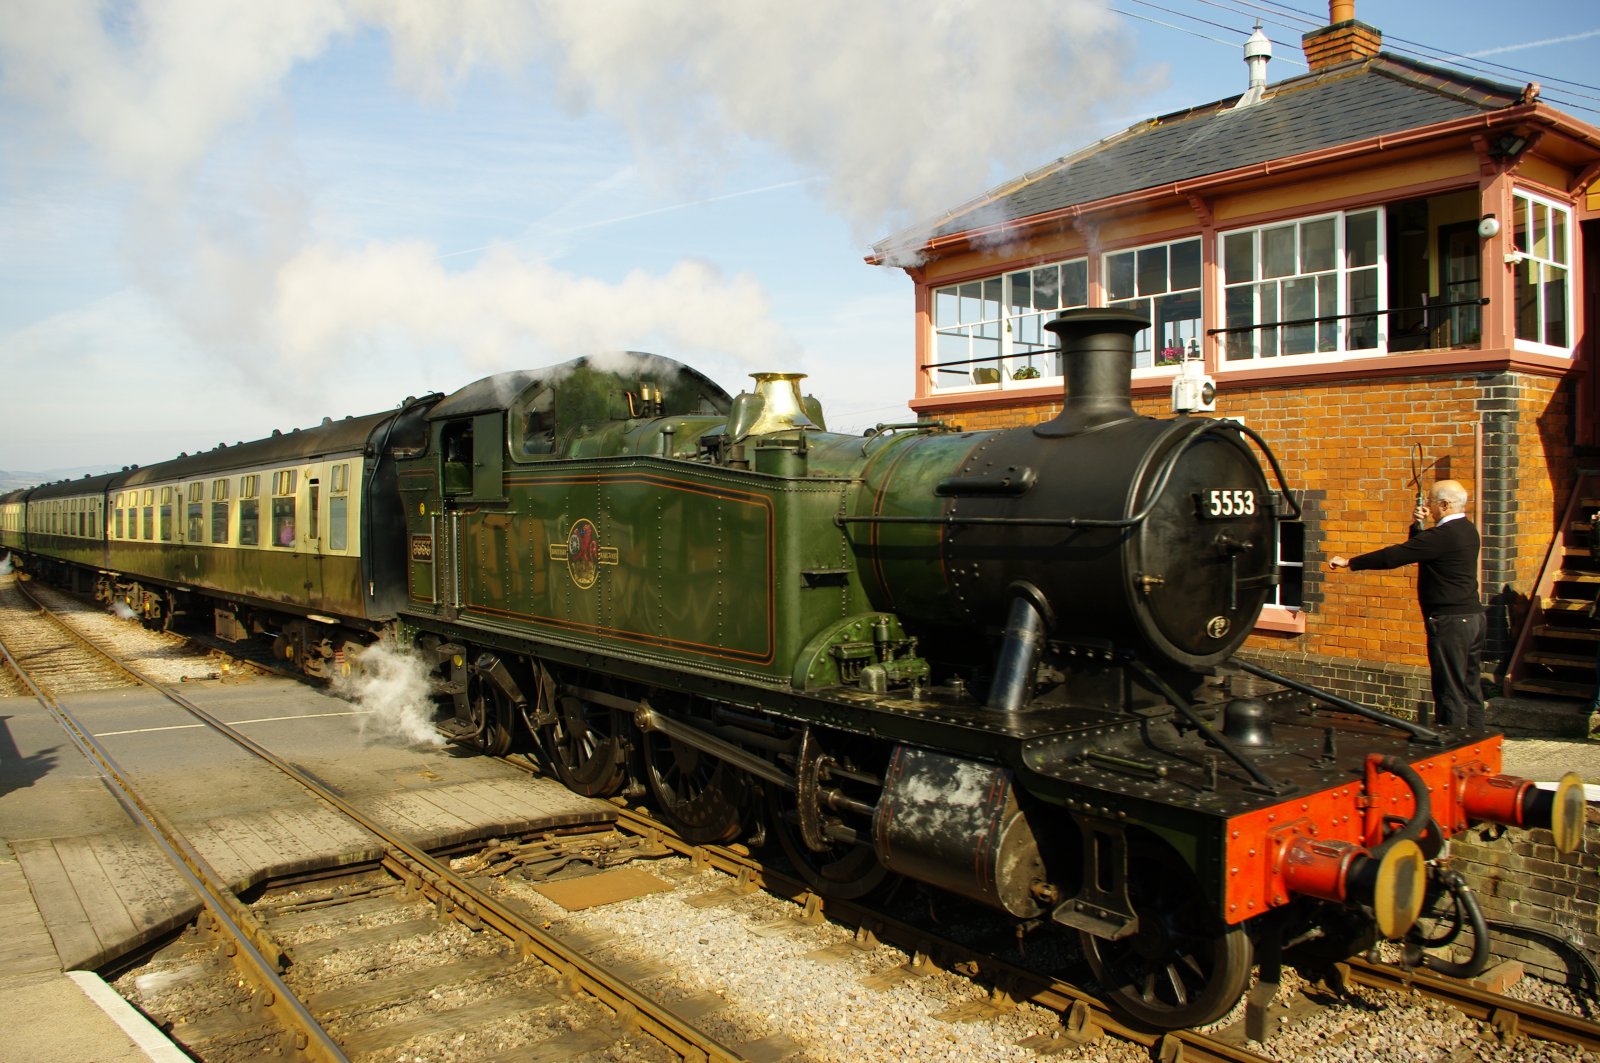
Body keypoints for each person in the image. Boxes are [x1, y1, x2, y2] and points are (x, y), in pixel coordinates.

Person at [1328, 479, 1485, 729]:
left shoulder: (1443, 536)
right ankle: (1478, 738)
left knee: (1449, 690)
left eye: (1432, 502)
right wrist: (1418, 526)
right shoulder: (1467, 529)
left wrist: (1350, 562)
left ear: (1444, 504)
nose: (1429, 507)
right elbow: (1422, 549)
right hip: (1473, 619)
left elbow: (1396, 555)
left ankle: (1452, 743)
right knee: (1469, 685)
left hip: (1450, 623)